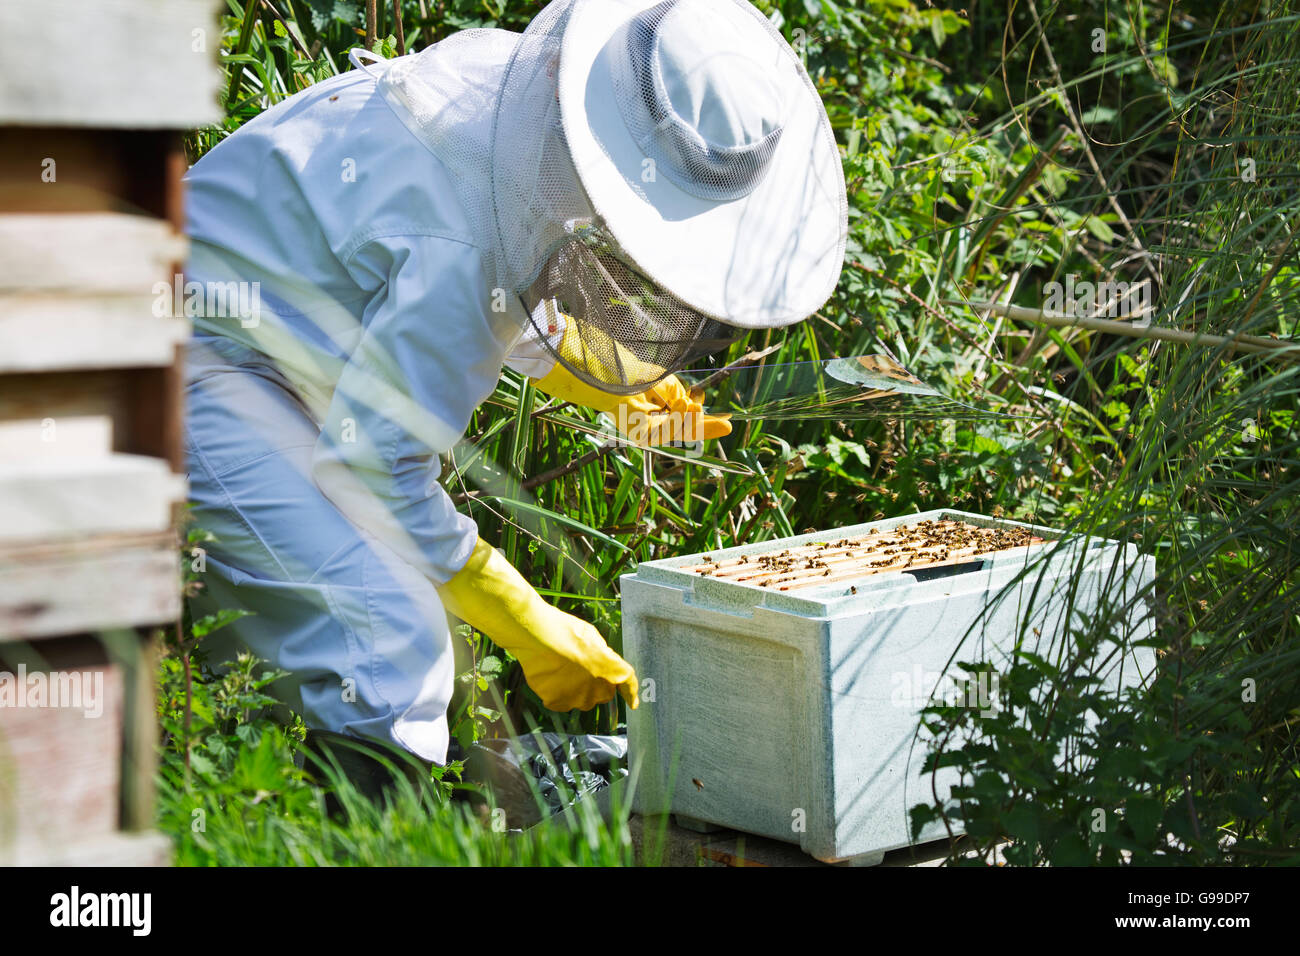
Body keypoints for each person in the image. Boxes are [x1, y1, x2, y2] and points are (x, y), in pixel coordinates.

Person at [181, 0, 847, 780]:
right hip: (178, 365)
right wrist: (521, 616)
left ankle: (298, 795)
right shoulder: (466, 220)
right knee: (390, 642)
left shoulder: (512, 102)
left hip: (233, 341)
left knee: (366, 638)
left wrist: (601, 384)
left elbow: (484, 267)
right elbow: (372, 466)